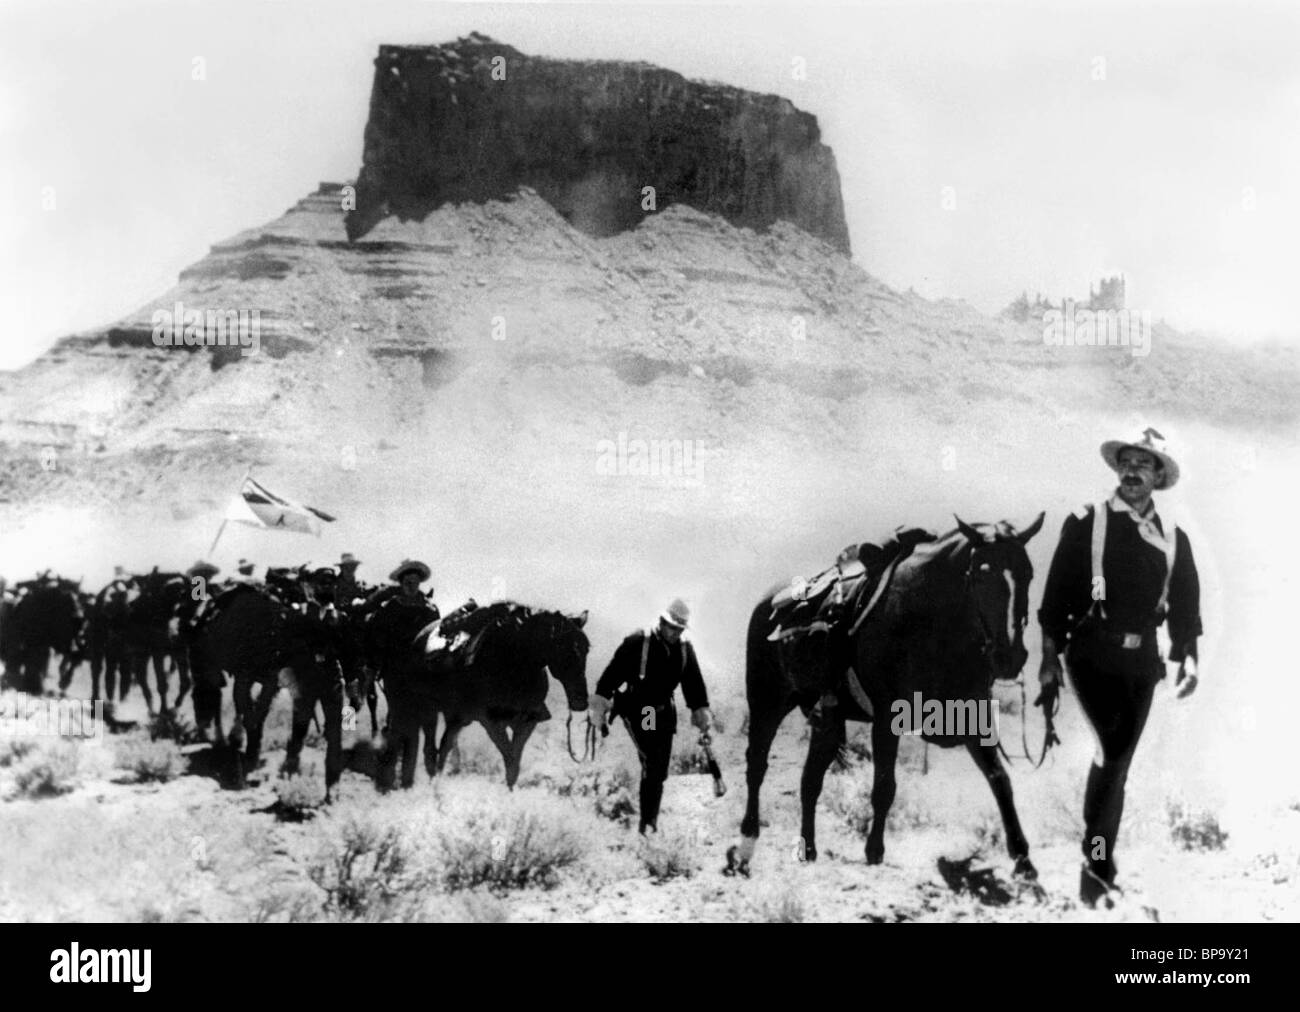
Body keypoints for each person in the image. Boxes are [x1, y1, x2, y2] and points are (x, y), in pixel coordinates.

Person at [1036, 427, 1202, 907]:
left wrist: (1186, 658)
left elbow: (1187, 607)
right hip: (1091, 654)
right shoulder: (1087, 521)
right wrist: (1049, 659)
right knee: (1112, 752)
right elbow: (1056, 596)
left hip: (1142, 665)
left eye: (1144, 465)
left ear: (1157, 478)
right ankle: (1096, 872)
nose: (1133, 471)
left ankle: (1100, 867)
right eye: (1127, 462)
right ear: (1118, 469)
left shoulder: (1173, 539)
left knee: (1118, 764)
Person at [590, 599, 713, 834]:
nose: (675, 632)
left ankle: (649, 821)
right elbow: (611, 676)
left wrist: (701, 712)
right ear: (661, 622)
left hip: (665, 711)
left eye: (679, 629)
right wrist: (599, 705)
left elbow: (694, 685)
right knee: (653, 764)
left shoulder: (685, 649)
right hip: (642, 710)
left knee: (659, 770)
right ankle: (648, 825)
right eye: (671, 627)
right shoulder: (638, 642)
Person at [368, 559, 440, 789]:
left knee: (419, 723)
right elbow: (376, 640)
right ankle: (388, 774)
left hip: (422, 676)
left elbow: (438, 638)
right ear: (400, 583)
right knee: (400, 722)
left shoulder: (430, 609)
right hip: (394, 673)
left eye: (415, 581)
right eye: (407, 581)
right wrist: (372, 669)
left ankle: (406, 779)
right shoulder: (390, 608)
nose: (411, 585)